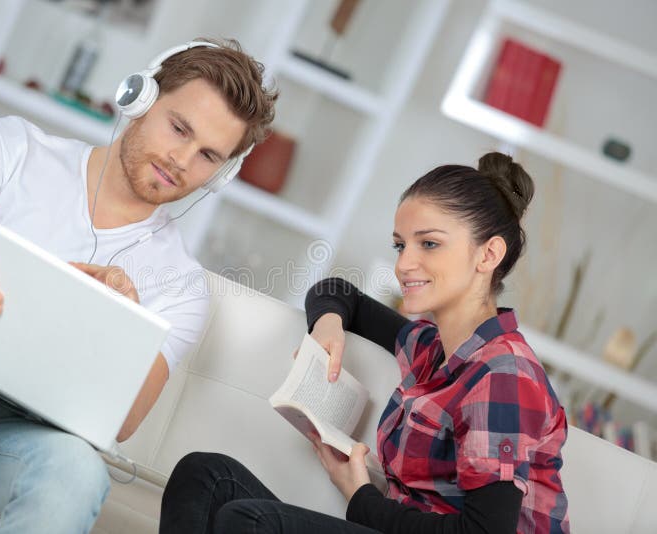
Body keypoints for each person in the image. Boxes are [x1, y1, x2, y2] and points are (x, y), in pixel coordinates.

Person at [0, 38, 277, 533]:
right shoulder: (9, 145)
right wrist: (3, 271)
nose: (183, 159)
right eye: (179, 128)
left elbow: (120, 422)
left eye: (208, 154)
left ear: (222, 173)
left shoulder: (182, 286)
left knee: (77, 471)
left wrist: (119, 327)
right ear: (139, 97)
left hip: (13, 442)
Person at [159, 152, 570, 533]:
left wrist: (361, 498)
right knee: (203, 476)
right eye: (400, 245)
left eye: (428, 243)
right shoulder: (430, 349)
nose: (404, 263)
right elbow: (338, 292)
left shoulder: (503, 375)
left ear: (488, 255)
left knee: (247, 523)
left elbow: (484, 532)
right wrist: (326, 327)